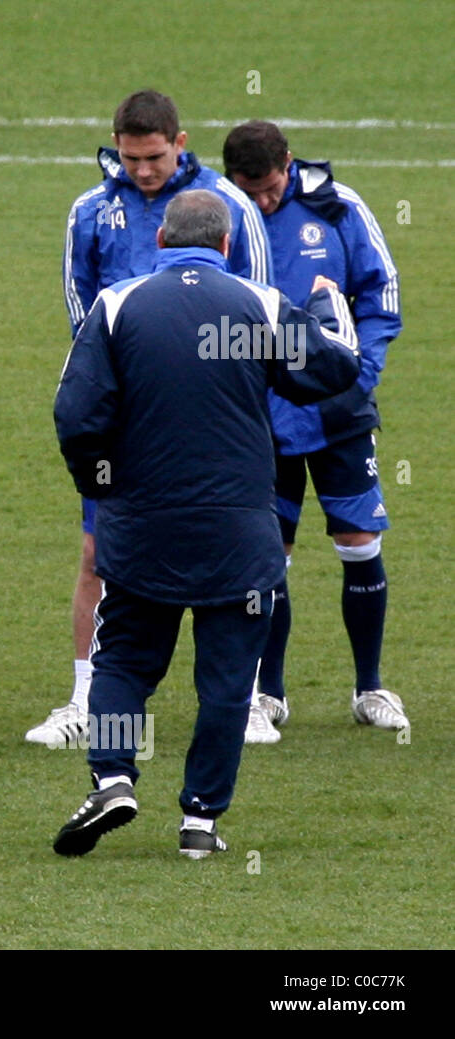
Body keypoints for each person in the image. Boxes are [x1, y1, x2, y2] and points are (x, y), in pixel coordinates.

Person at [51, 191, 360, 857]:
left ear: (161, 239)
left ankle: (112, 775)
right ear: (226, 244)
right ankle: (200, 822)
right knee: (227, 678)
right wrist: (330, 306)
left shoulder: (118, 305)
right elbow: (334, 369)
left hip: (143, 524)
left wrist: (104, 486)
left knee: (126, 659)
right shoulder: (260, 305)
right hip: (241, 529)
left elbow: (75, 415)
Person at [27, 88, 273, 749]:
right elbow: (85, 326)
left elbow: (262, 311)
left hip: (220, 415)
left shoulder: (230, 207)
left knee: (239, 549)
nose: (142, 170)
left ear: (181, 142)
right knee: (97, 550)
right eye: (131, 158)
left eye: (155, 157)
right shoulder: (89, 211)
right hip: (130, 419)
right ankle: (85, 698)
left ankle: (245, 699)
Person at [223, 120, 406, 742]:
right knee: (268, 555)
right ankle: (268, 693)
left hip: (338, 411)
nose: (264, 202)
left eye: (272, 189)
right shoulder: (227, 216)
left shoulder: (339, 207)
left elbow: (382, 294)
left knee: (359, 541)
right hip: (260, 416)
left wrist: (360, 377)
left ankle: (370, 687)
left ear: (289, 164)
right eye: (252, 192)